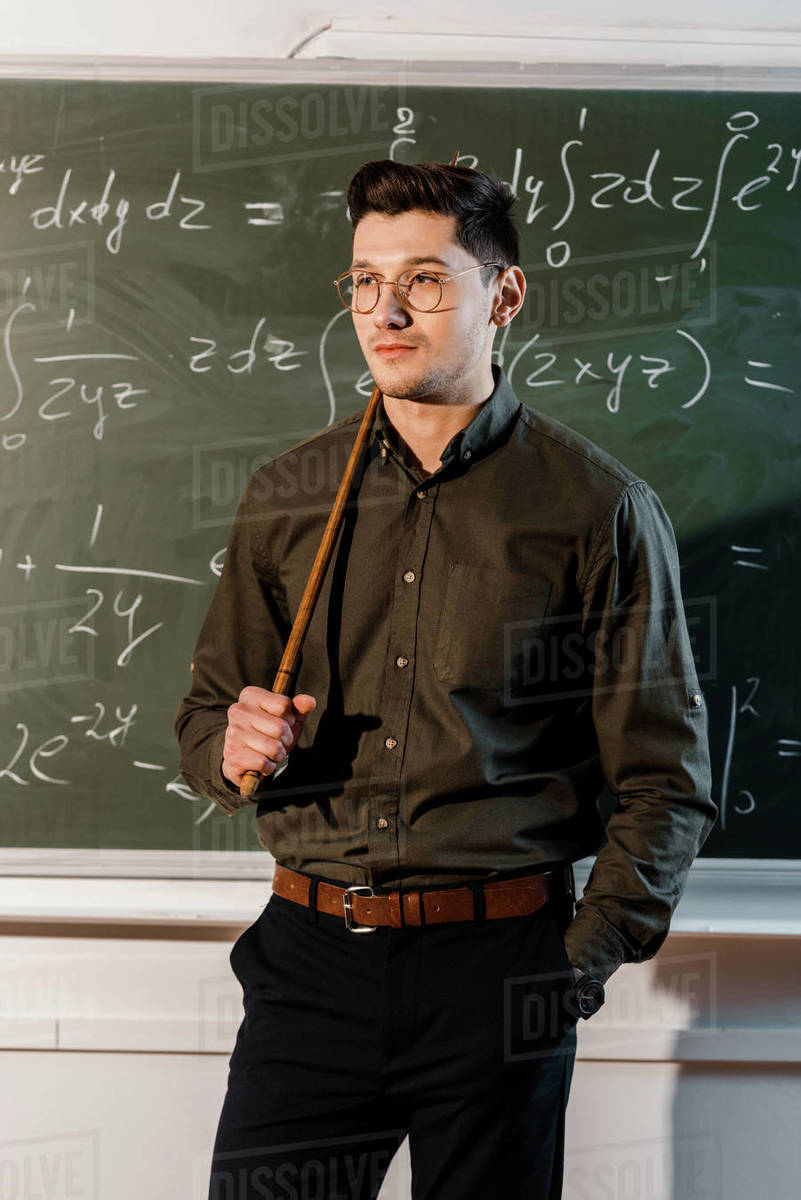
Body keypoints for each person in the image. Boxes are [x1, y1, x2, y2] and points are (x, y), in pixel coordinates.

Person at [174, 159, 717, 1200]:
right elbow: (207, 719)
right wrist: (227, 747)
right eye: (364, 282)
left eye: (424, 279)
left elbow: (664, 782)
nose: (385, 311)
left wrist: (571, 972)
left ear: (503, 295)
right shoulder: (288, 492)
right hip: (308, 964)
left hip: (500, 967)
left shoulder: (597, 509)